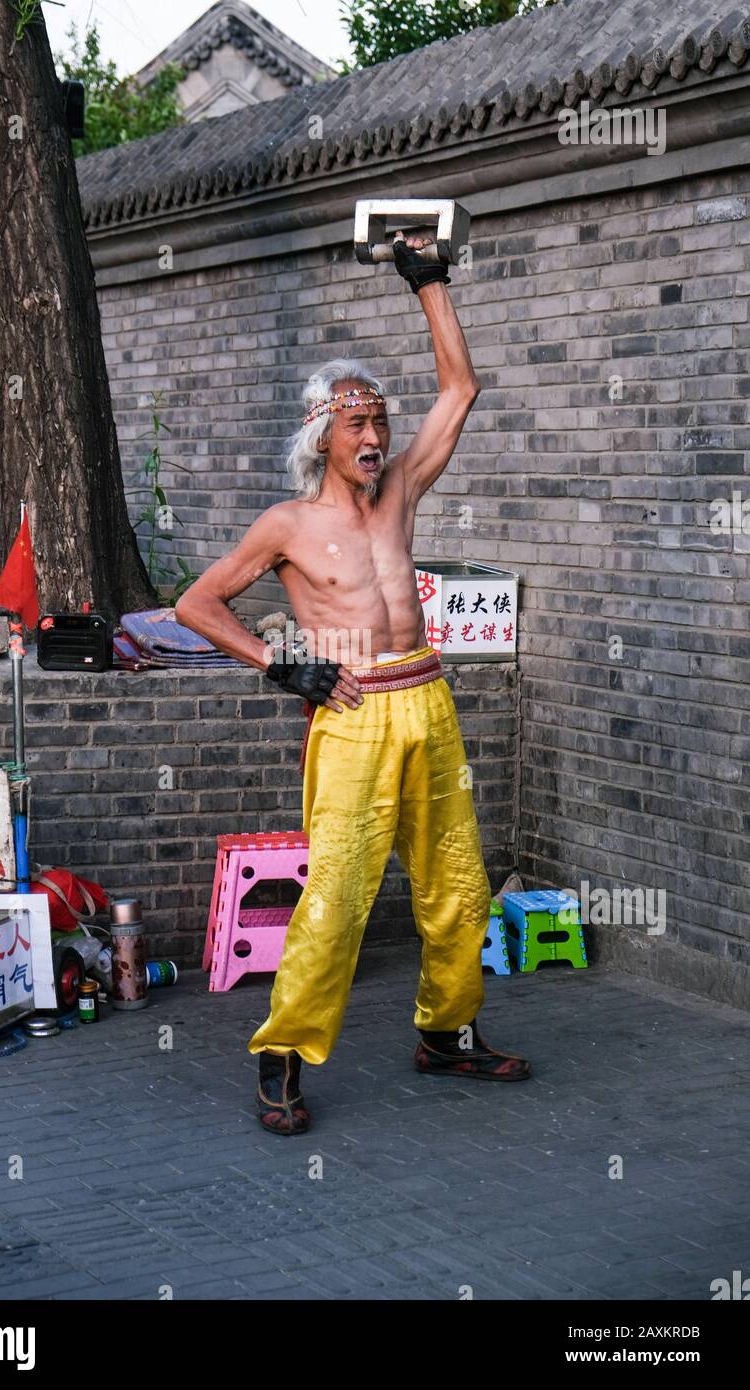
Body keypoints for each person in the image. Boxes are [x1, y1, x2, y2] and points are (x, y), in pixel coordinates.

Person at [175, 230, 531, 1137]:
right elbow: (196, 604)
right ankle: (281, 1054)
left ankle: (447, 1033)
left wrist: (432, 285)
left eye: (378, 420)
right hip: (353, 712)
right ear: (321, 435)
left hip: (429, 702)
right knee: (336, 895)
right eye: (355, 423)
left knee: (459, 886)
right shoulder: (287, 525)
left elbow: (462, 390)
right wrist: (281, 662)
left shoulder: (404, 489)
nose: (373, 436)